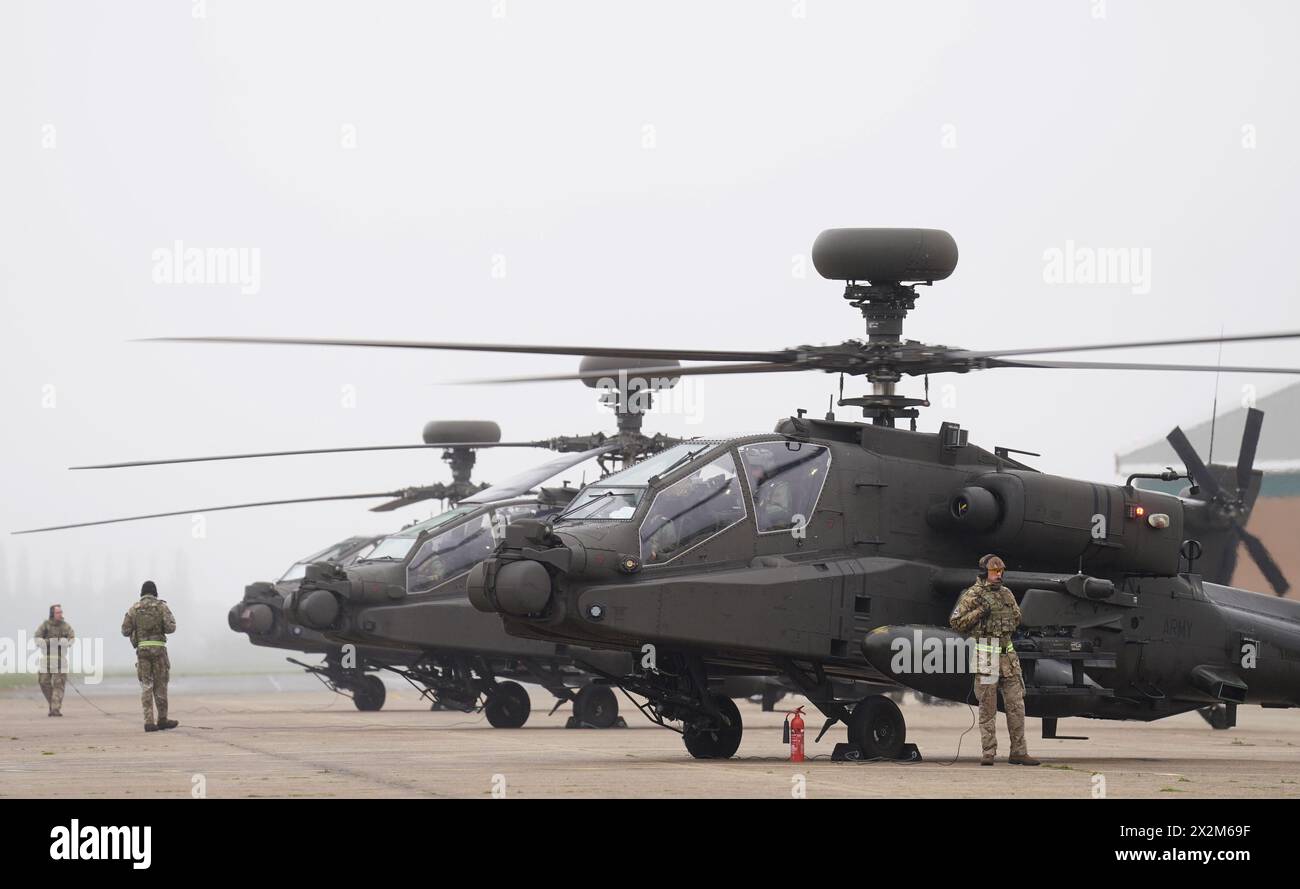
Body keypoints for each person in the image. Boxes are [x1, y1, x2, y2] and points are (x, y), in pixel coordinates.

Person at [949, 554, 1040, 766]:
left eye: (1001, 571)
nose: (998, 575)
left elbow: (1017, 618)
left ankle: (1018, 751)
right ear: (984, 573)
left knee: (1016, 706)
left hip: (1008, 656)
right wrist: (980, 612)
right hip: (986, 656)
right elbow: (956, 621)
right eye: (994, 571)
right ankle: (988, 752)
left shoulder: (1007, 593)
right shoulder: (974, 594)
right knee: (987, 708)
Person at [121, 580, 178, 732]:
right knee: (161, 686)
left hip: (143, 651)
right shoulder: (161, 607)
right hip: (159, 651)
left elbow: (125, 630)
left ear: (142, 593)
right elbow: (171, 628)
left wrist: (137, 633)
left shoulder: (134, 609)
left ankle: (148, 722)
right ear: (155, 592)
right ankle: (162, 719)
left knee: (146, 686)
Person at [34, 604, 75, 716]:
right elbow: (37, 638)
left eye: (61, 612)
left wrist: (66, 642)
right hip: (46, 660)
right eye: (58, 612)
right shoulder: (45, 626)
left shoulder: (65, 626)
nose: (60, 614)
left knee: (58, 684)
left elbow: (72, 638)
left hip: (60, 660)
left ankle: (55, 709)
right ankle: (53, 704)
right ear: (52, 613)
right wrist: (46, 642)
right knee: (43, 682)